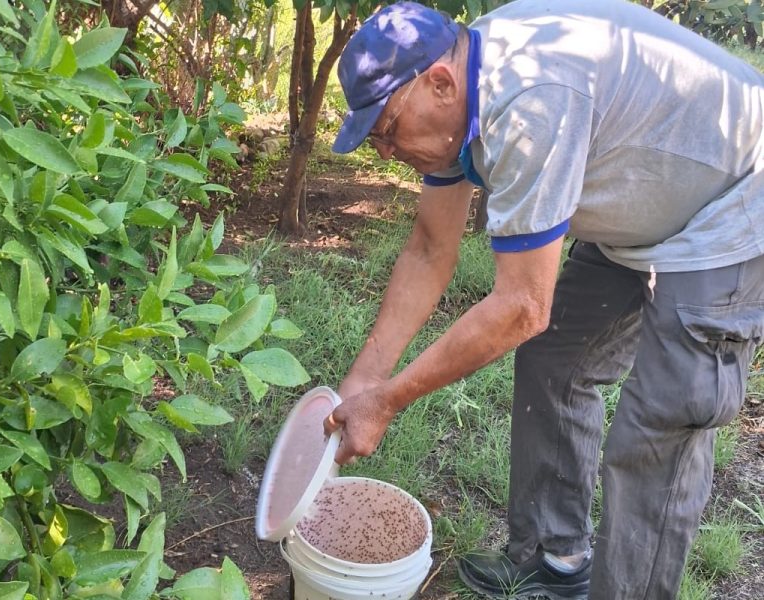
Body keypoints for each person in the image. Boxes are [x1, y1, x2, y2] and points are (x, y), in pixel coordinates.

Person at [321, 0, 764, 598]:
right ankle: (555, 561)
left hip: (732, 207)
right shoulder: (460, 102)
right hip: (648, 198)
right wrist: (365, 379)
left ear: (440, 83)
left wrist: (389, 400)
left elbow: (520, 307)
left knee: (658, 424)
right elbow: (430, 249)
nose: (387, 154)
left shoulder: (529, 100)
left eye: (388, 131)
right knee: (558, 354)